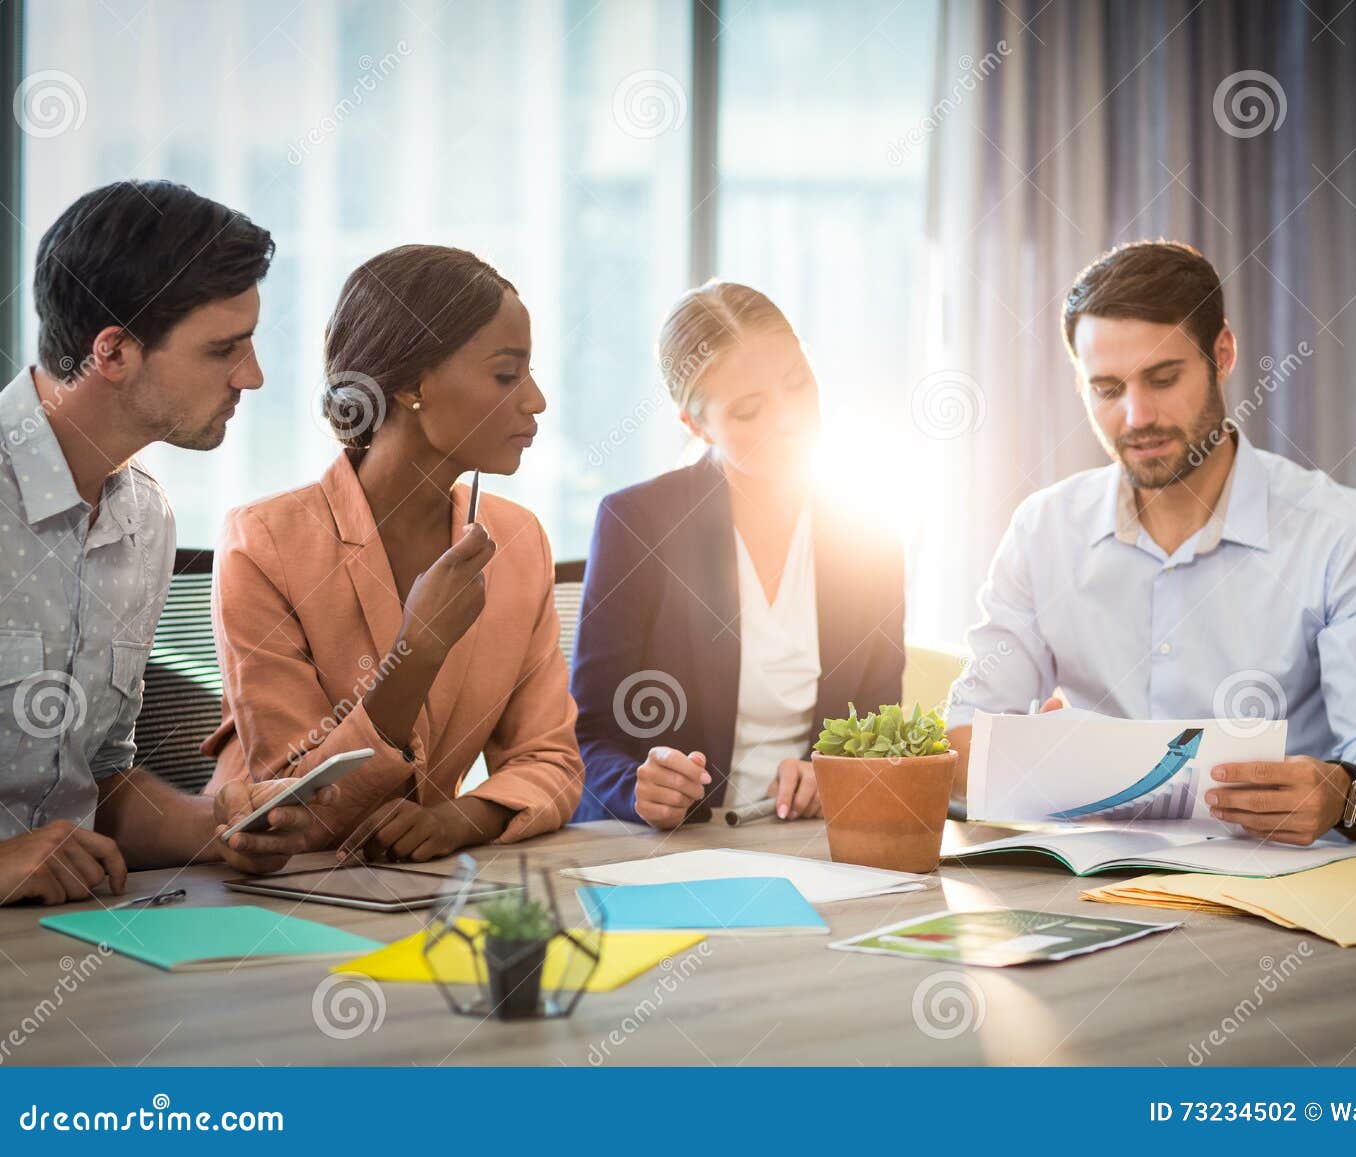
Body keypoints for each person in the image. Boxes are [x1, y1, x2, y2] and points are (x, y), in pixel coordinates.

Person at [945, 241, 1356, 846]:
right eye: (1106, 390)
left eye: (1163, 377)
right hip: (1092, 882)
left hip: (1278, 893)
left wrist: (1341, 794)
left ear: (1222, 354)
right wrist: (1036, 760)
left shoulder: (1351, 535)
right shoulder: (1043, 529)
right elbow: (965, 736)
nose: (1136, 416)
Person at [0, 180, 334, 906]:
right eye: (225, 349)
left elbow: (99, 781)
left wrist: (219, 822)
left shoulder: (144, 517)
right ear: (113, 352)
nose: (252, 375)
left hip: (64, 940)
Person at [203, 244, 583, 862]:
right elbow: (293, 801)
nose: (536, 400)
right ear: (411, 384)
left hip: (414, 890)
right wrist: (419, 649)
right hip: (271, 893)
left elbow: (551, 759)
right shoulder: (263, 543)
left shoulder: (517, 541)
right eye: (506, 374)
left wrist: (463, 819)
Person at [571, 280, 905, 829]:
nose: (788, 419)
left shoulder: (871, 531)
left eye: (798, 383)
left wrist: (840, 771)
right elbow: (586, 739)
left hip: (815, 846)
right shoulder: (639, 523)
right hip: (673, 850)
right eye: (749, 410)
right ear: (696, 424)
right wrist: (636, 787)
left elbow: (880, 729)